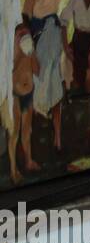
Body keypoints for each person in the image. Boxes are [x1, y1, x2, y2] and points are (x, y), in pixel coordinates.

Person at [23, 0, 65, 154]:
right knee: (51, 83)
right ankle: (54, 136)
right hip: (49, 31)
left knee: (42, 82)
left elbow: (28, 10)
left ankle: (50, 135)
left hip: (44, 31)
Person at [11, 25, 40, 175]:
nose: (24, 36)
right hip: (16, 94)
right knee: (15, 132)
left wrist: (32, 52)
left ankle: (28, 161)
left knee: (26, 131)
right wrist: (19, 50)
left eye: (26, 34)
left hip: (29, 93)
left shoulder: (30, 51)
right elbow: (12, 67)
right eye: (20, 34)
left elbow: (37, 70)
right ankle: (13, 169)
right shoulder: (13, 51)